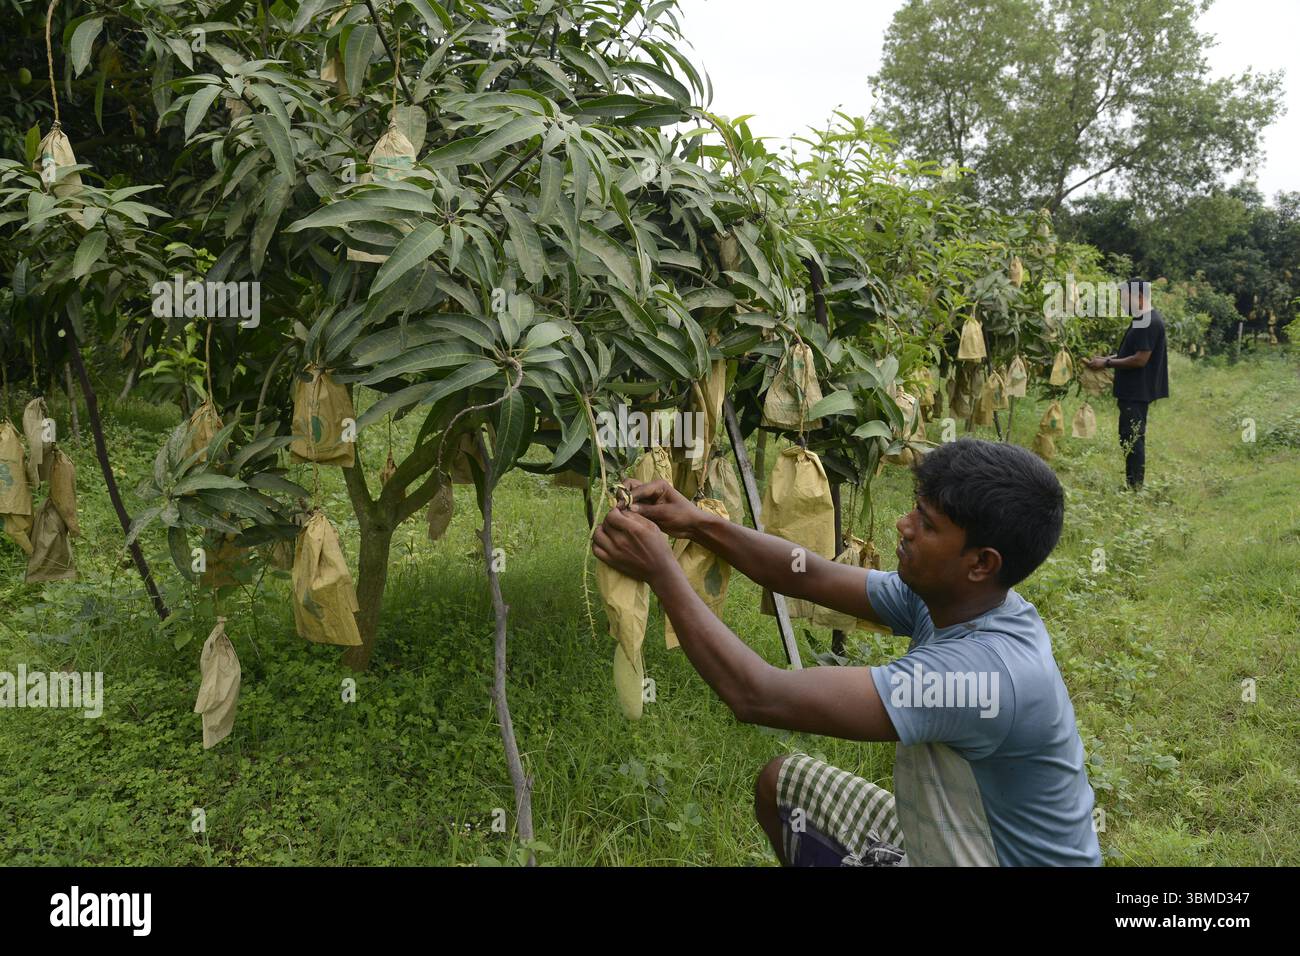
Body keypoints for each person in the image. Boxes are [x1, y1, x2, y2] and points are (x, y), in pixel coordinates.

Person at [592, 438, 1101, 866]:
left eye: (926, 523)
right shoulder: (956, 600)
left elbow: (757, 695)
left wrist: (662, 571)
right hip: (957, 846)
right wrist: (697, 522)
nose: (903, 526)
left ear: (981, 563)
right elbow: (803, 574)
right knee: (783, 785)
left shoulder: (979, 678)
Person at [1087, 279, 1169, 488]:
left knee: (1133, 439)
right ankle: (1133, 484)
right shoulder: (1142, 319)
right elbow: (1129, 354)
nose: (1123, 303)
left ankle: (1134, 488)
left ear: (1139, 297)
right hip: (1133, 391)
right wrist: (1106, 360)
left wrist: (1106, 362)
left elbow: (1140, 359)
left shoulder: (1148, 321)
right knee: (1129, 436)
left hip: (1137, 392)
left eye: (1125, 298)